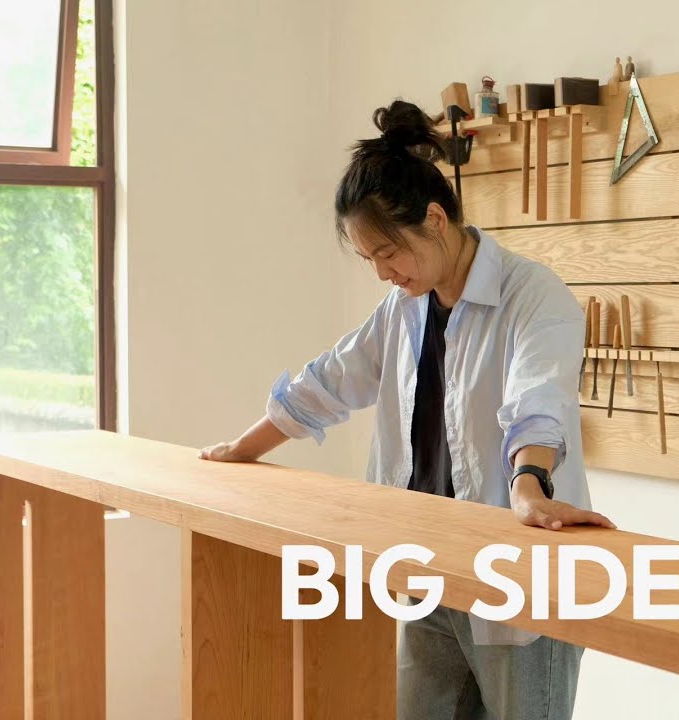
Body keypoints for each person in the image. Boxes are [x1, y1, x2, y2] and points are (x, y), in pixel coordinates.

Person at [199, 99, 614, 720]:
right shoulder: (405, 307)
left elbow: (539, 399)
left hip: (511, 572)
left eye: (388, 254)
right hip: (425, 563)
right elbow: (329, 381)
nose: (382, 273)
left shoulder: (534, 296)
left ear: (436, 220)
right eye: (369, 259)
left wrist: (529, 486)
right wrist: (241, 450)